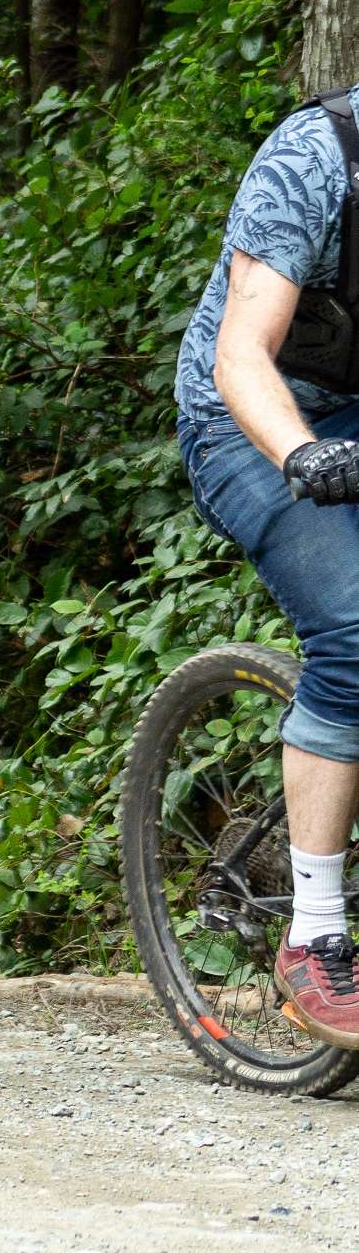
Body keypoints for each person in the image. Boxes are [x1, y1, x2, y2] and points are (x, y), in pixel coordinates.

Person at [178, 85, 359, 1046]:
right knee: (354, 629)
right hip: (252, 419)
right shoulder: (315, 159)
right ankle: (314, 936)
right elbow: (241, 354)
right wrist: (302, 455)